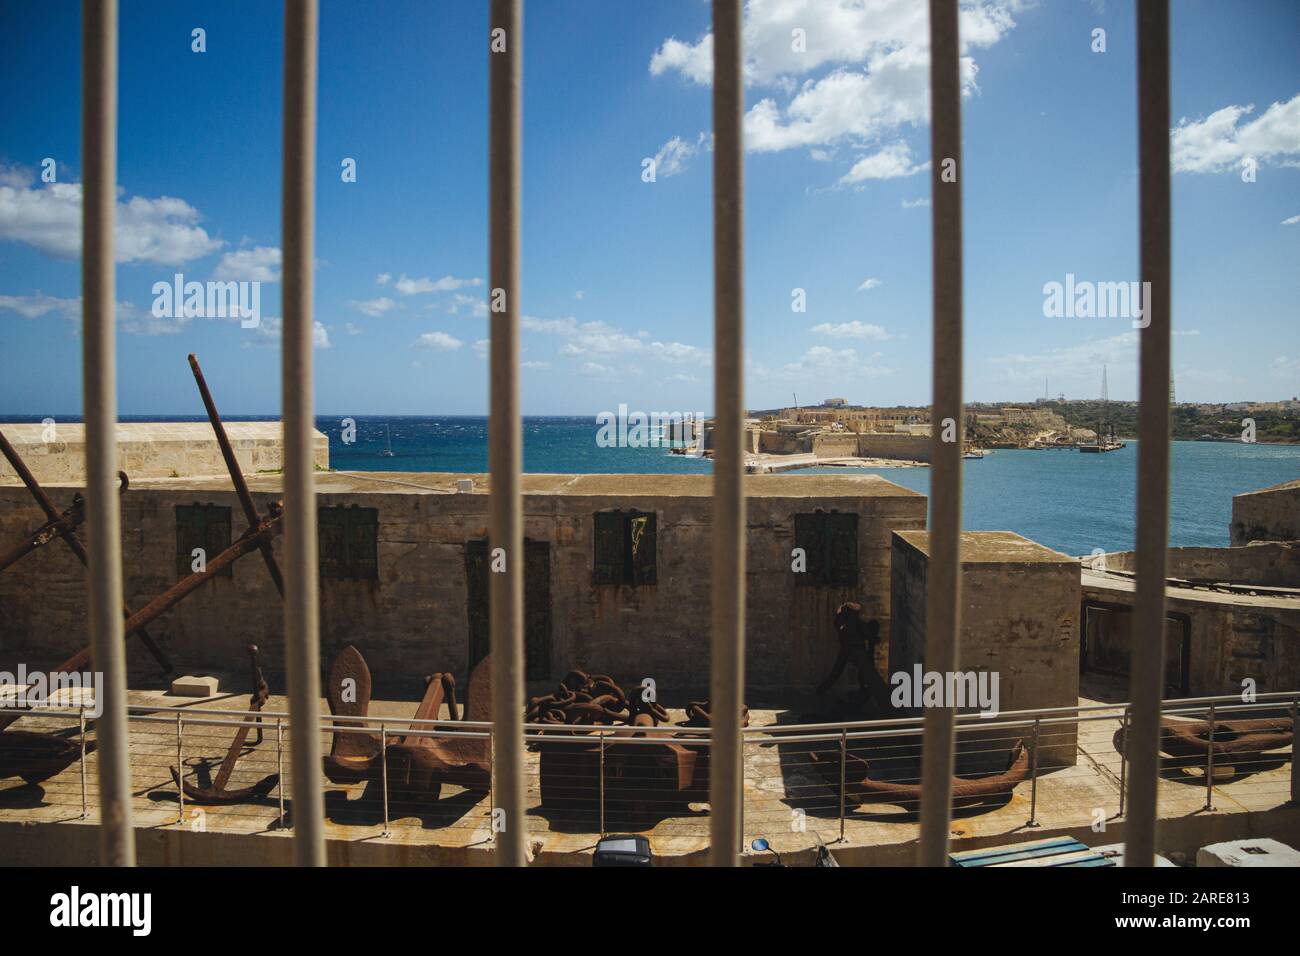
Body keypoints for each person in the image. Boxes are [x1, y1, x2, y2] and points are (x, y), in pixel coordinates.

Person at [816, 602, 890, 711]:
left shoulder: (844, 620)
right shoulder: (854, 622)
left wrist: (841, 613)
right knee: (868, 676)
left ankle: (821, 690)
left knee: (838, 672)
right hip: (855, 650)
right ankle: (886, 704)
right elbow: (865, 632)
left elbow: (846, 628)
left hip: (850, 649)